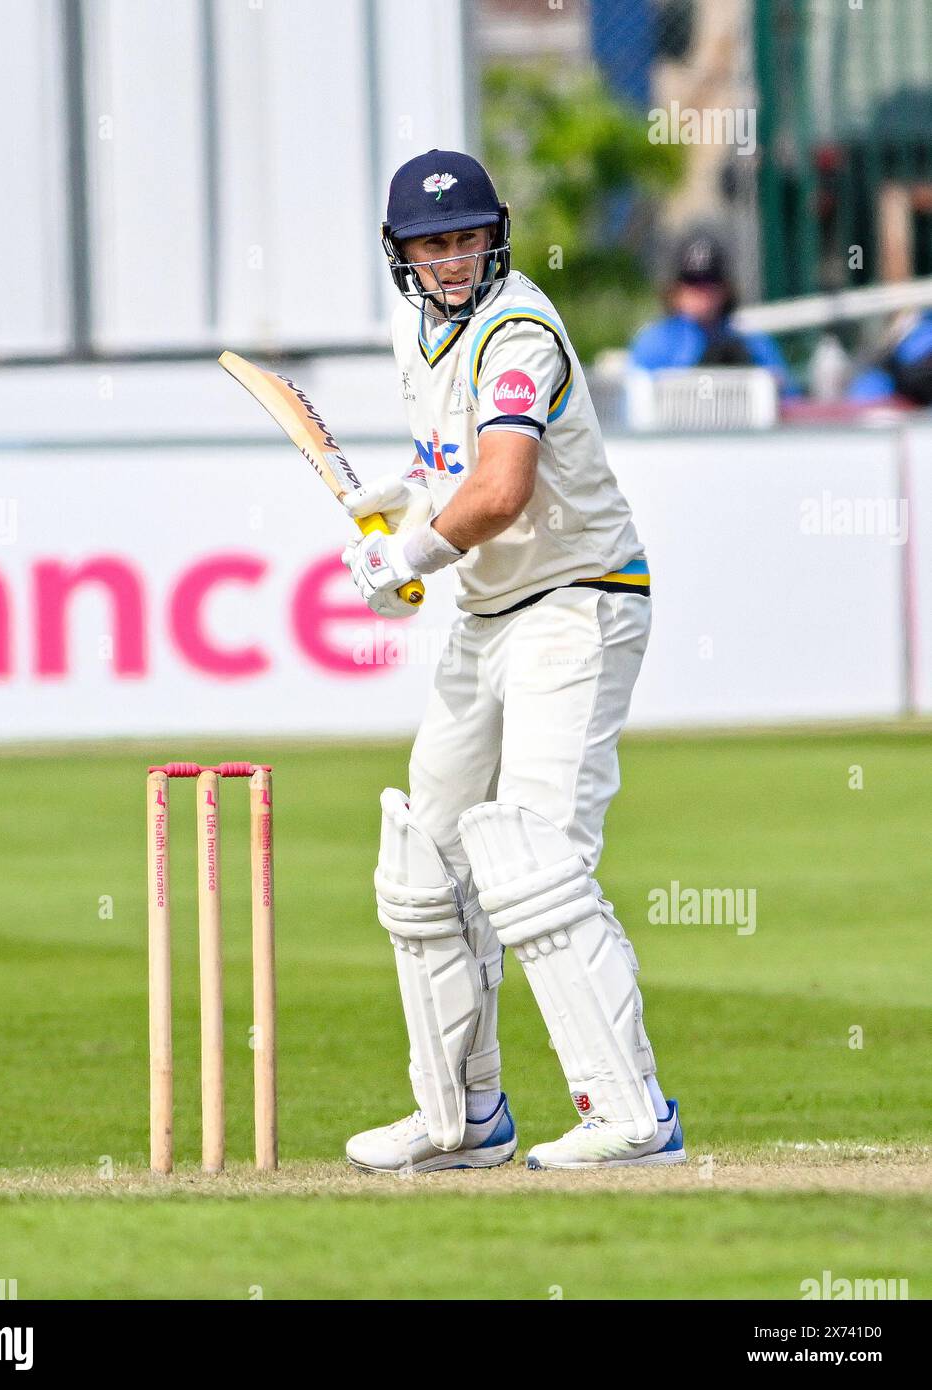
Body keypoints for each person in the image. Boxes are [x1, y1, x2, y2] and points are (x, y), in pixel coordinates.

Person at [338, 149, 685, 1173]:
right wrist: (405, 498)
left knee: (533, 861)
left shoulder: (517, 331)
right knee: (424, 866)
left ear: (495, 233)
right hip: (490, 615)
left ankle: (635, 1117)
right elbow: (456, 466)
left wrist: (408, 552)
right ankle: (463, 1117)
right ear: (401, 254)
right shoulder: (424, 333)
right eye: (431, 244)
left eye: (466, 237)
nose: (452, 259)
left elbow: (503, 491)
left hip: (577, 605)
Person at [630, 228, 799, 396]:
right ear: (674, 290)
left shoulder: (751, 341)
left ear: (726, 289)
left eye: (711, 282)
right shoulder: (653, 342)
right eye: (692, 282)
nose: (702, 292)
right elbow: (634, 406)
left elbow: (790, 398)